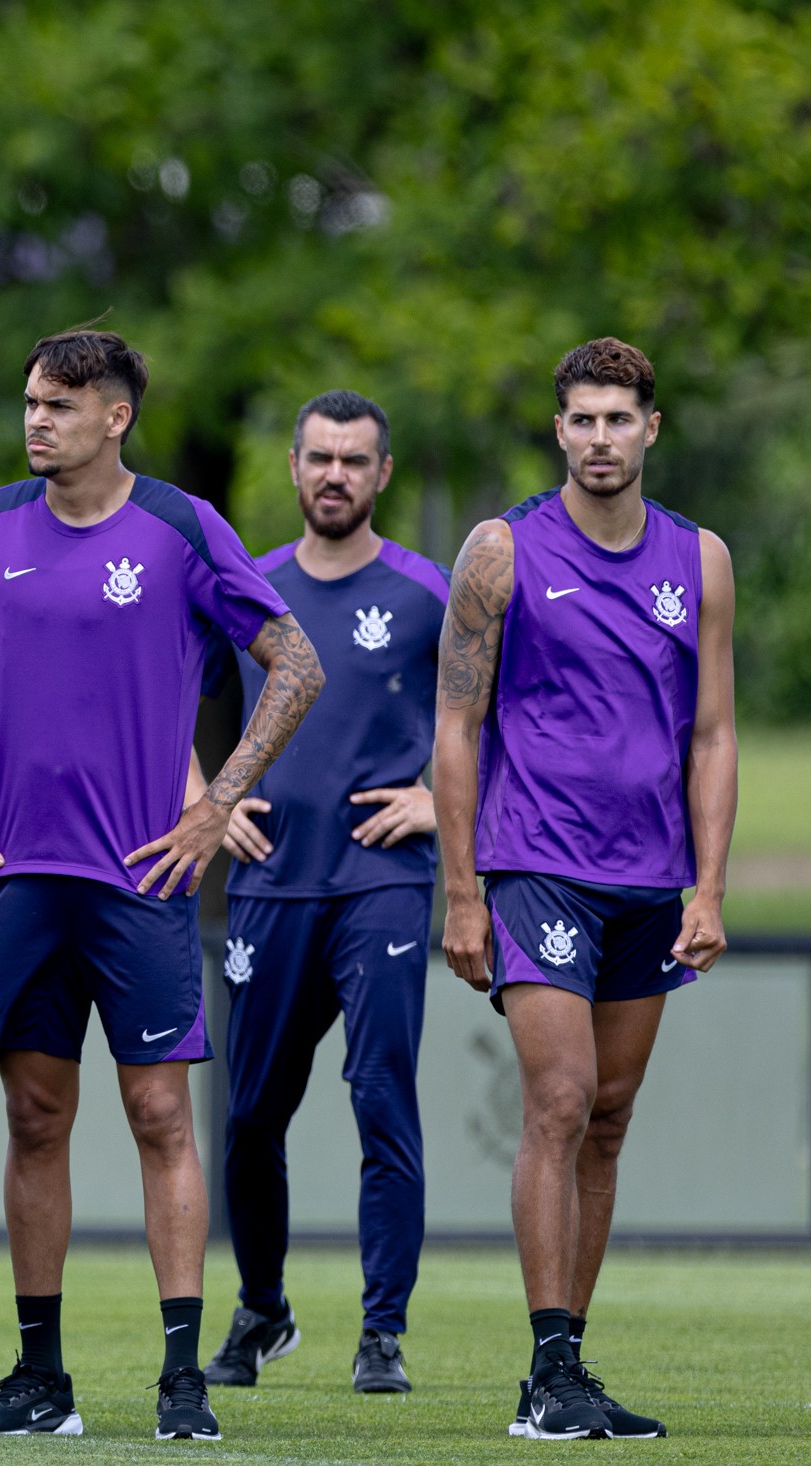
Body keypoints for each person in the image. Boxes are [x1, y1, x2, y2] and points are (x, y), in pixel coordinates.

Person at [0, 330, 324, 1442]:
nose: (36, 420)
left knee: (159, 1113)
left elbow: (296, 663)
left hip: (141, 880)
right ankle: (39, 1377)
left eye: (59, 403)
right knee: (34, 1114)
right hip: (19, 880)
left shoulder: (184, 529)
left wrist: (217, 801)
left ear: (117, 417)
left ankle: (181, 1376)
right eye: (29, 402)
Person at [433, 338, 735, 1442]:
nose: (600, 438)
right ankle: (552, 1361)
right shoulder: (502, 551)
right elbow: (455, 729)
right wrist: (460, 892)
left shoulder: (700, 559)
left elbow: (711, 731)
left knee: (608, 1117)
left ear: (652, 427)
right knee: (559, 1100)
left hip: (651, 878)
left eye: (619, 419)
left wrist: (708, 885)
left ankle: (562, 1372)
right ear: (557, 429)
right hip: (536, 863)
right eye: (581, 420)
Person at [202, 392, 444, 1397]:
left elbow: (512, 714)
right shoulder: (246, 587)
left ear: (383, 473)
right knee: (252, 1113)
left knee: (381, 1093)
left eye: (354, 459)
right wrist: (205, 804)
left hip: (383, 879)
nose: (335, 474)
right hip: (270, 882)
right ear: (293, 467)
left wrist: (439, 797)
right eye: (319, 457)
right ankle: (263, 1308)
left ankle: (381, 1330)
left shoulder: (431, 592)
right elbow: (155, 693)